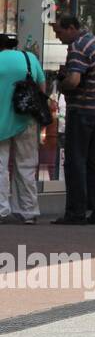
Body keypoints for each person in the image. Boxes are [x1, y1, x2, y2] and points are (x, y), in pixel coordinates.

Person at [50, 14, 95, 225]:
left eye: (59, 31)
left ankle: (76, 212)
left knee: (74, 161)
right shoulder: (93, 40)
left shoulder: (78, 47)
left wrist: (61, 82)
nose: (57, 36)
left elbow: (74, 80)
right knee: (91, 160)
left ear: (70, 28)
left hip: (83, 109)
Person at [0, 33, 44, 224]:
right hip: (26, 119)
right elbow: (42, 89)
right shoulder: (29, 58)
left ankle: (1, 210)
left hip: (1, 121)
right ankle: (28, 211)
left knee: (0, 167)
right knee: (26, 165)